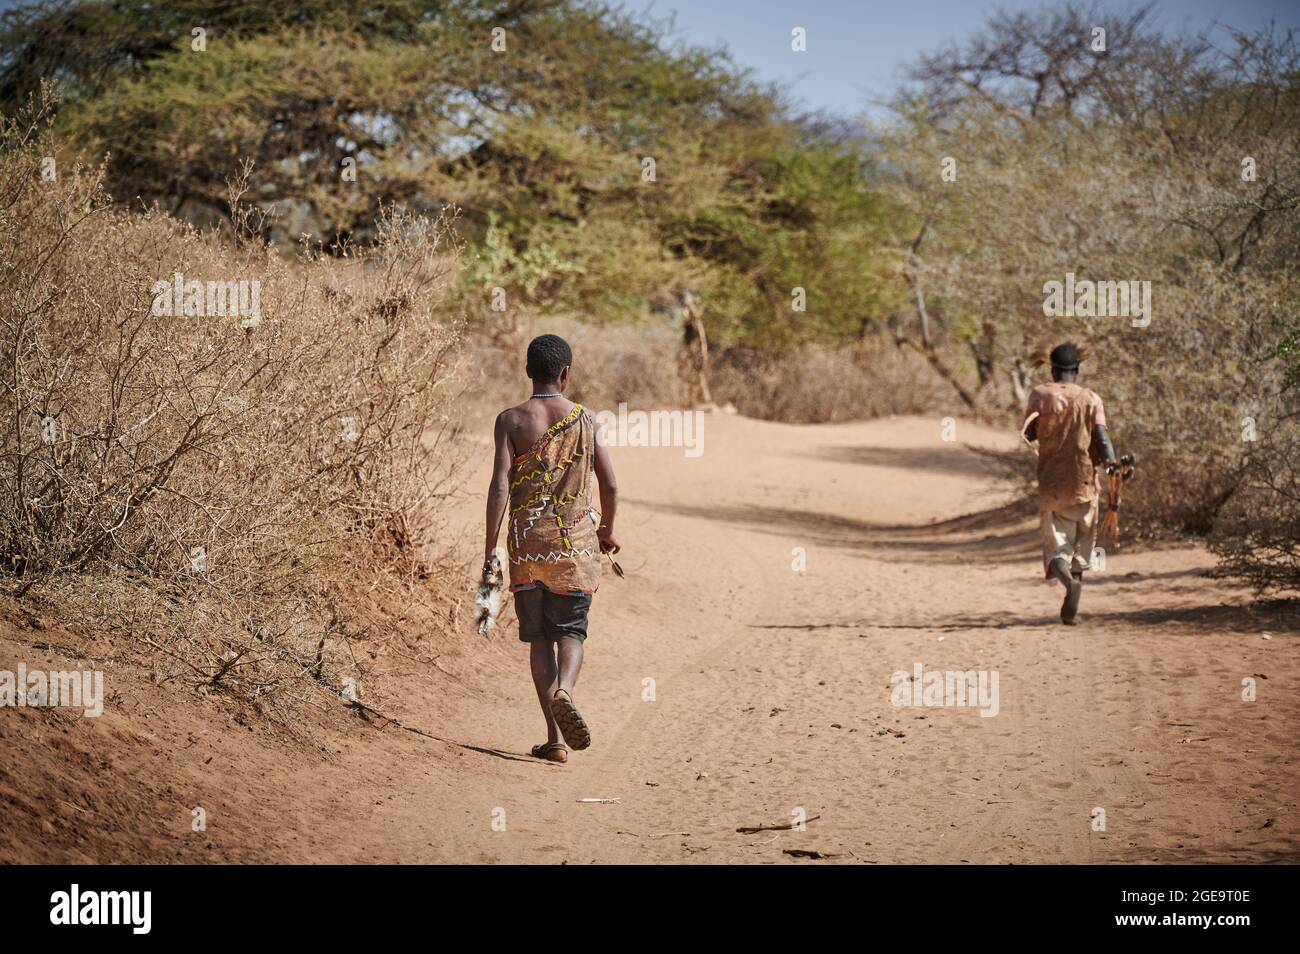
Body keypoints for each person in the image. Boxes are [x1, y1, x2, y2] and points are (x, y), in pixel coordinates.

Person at [483, 334, 619, 763]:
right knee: (571, 633)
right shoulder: (586, 420)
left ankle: (555, 739)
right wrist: (607, 531)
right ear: (566, 374)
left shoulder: (510, 420)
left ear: (528, 371)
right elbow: (611, 484)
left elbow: (500, 486)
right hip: (575, 553)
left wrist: (491, 549)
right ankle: (566, 690)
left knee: (539, 640)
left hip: (526, 551)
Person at [1021, 342, 1117, 624]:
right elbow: (1102, 437)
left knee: (1056, 549)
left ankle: (1068, 585)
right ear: (1076, 370)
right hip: (1085, 484)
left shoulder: (1039, 395)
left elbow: (1028, 434)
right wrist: (1111, 464)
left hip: (1051, 484)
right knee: (1080, 548)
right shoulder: (1091, 398)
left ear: (1052, 369)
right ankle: (1074, 599)